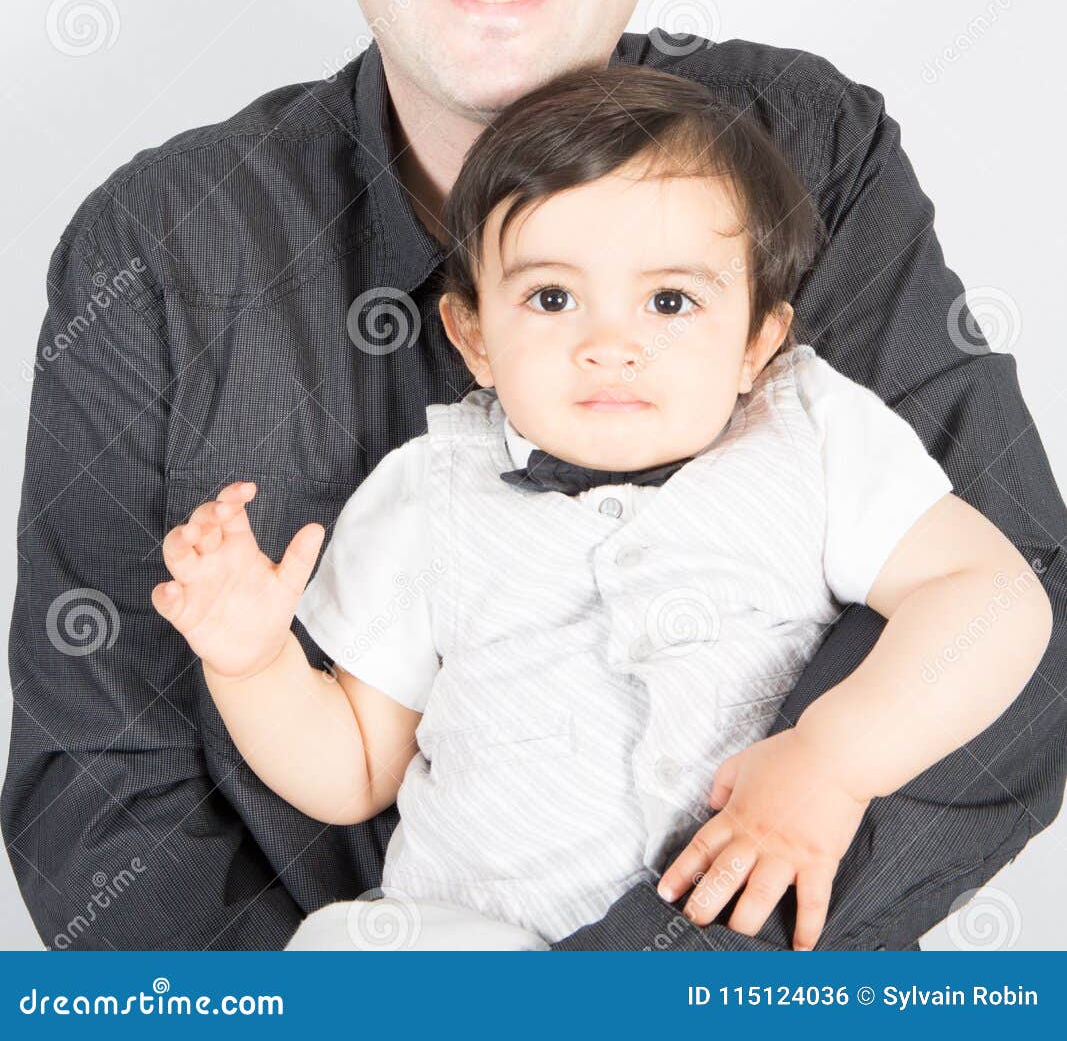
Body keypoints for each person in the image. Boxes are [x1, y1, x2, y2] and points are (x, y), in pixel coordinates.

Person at [3, 0, 1064, 952]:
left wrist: (618, 1004)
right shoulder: (160, 245)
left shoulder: (807, 153)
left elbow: (1011, 609)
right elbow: (102, 784)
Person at [151, 63, 1053, 953]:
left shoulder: (810, 435)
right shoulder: (428, 492)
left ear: (756, 341)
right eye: (551, 298)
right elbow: (353, 771)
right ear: (474, 336)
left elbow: (990, 595)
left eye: (670, 300)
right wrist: (253, 662)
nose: (611, 344)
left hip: (720, 963)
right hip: (458, 944)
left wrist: (836, 759)